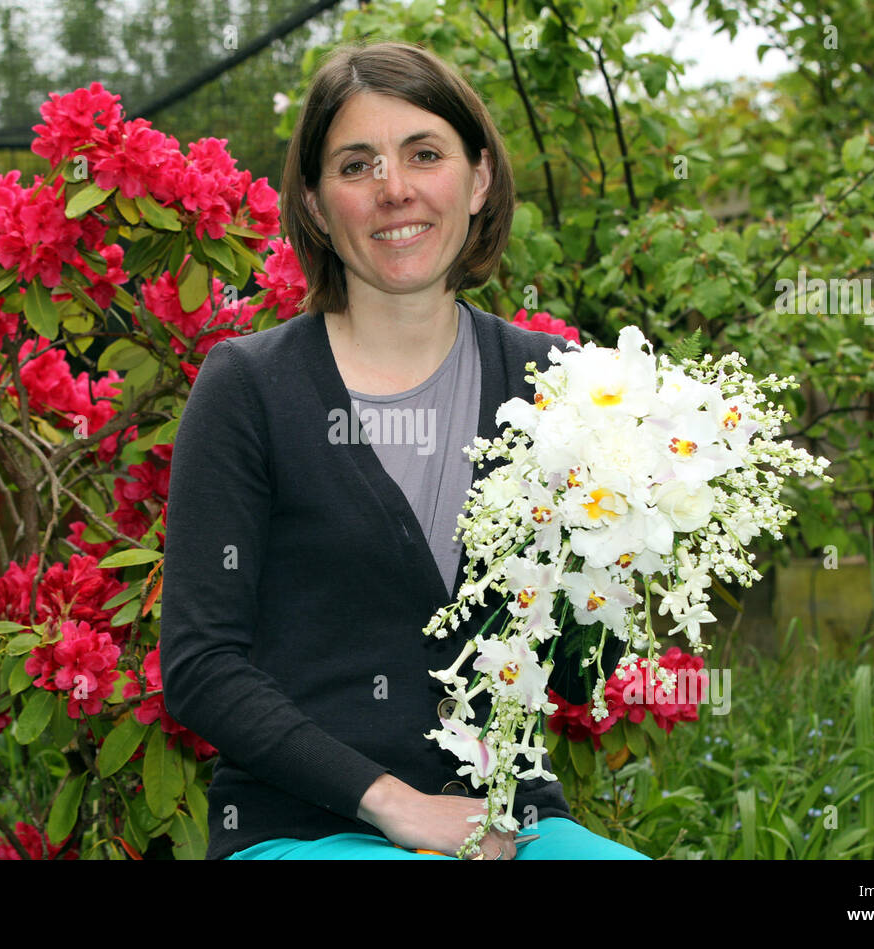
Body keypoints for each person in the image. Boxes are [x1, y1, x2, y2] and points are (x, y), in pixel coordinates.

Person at [158, 39, 650, 861]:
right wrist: (396, 806)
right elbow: (202, 665)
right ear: (315, 203)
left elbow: (575, 677)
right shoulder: (249, 387)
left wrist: (621, 551)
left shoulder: (553, 387)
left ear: (479, 177)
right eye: (357, 166)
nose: (395, 189)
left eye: (424, 153)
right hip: (303, 824)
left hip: (514, 822)